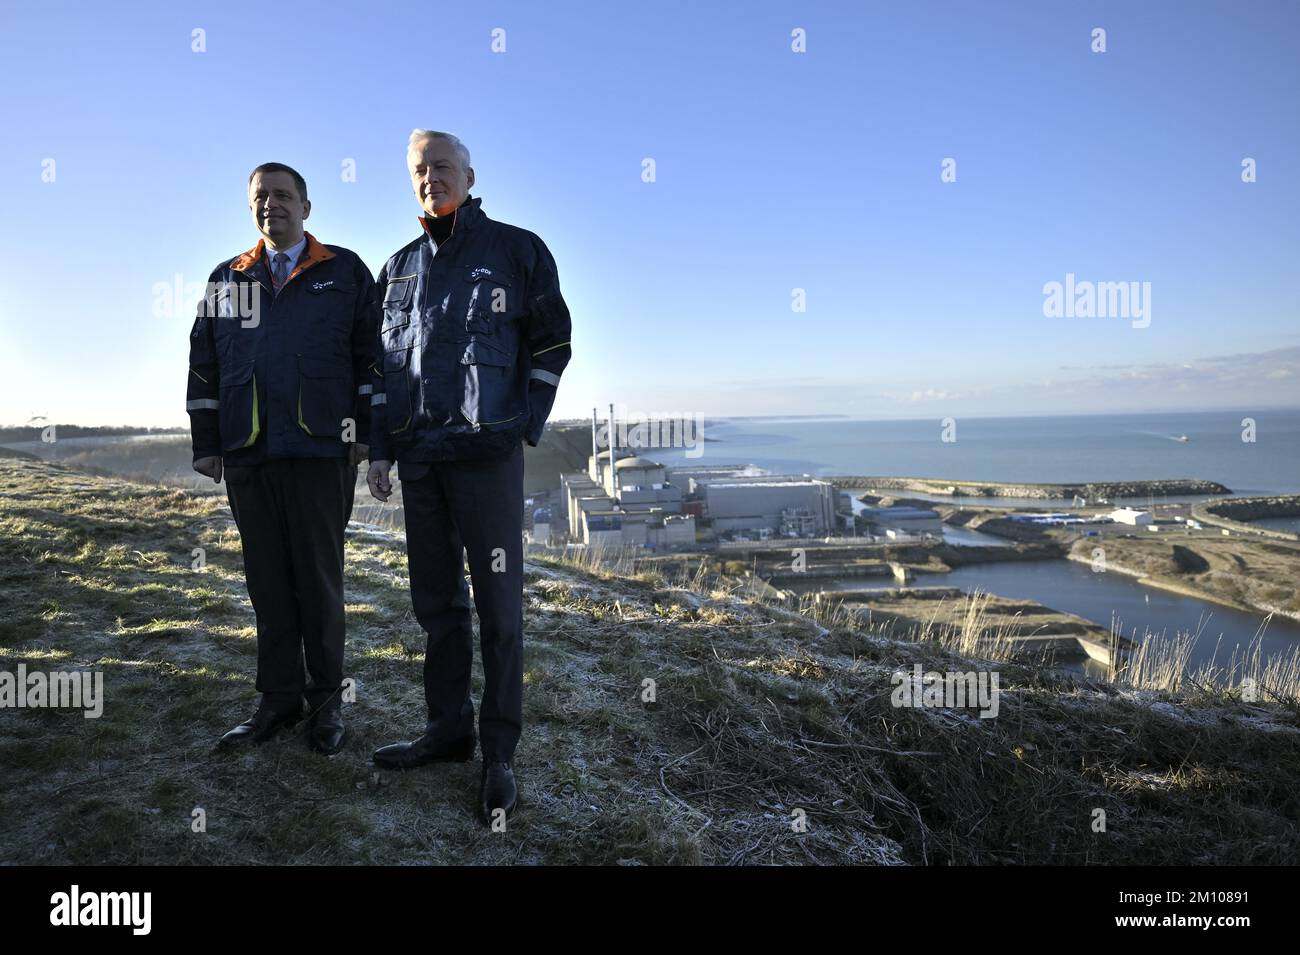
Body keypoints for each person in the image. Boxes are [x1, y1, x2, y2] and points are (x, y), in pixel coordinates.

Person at [366, 130, 571, 823]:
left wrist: (523, 423)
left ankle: (499, 754)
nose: (432, 178)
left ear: (469, 173)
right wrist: (381, 449)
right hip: (421, 462)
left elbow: (552, 339)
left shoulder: (517, 250)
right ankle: (447, 730)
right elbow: (380, 373)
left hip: (487, 462)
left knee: (499, 611)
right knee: (436, 606)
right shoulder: (393, 271)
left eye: (442, 166)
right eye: (420, 170)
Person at [186, 162, 377, 755]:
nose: (272, 204)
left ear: (306, 206)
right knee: (266, 583)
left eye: (283, 195)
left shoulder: (343, 272)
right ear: (251, 208)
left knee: (318, 582)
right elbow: (204, 363)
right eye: (261, 197)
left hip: (322, 451)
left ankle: (325, 706)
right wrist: (207, 441)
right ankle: (278, 701)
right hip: (249, 453)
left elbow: (373, 358)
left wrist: (369, 438)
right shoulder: (228, 279)